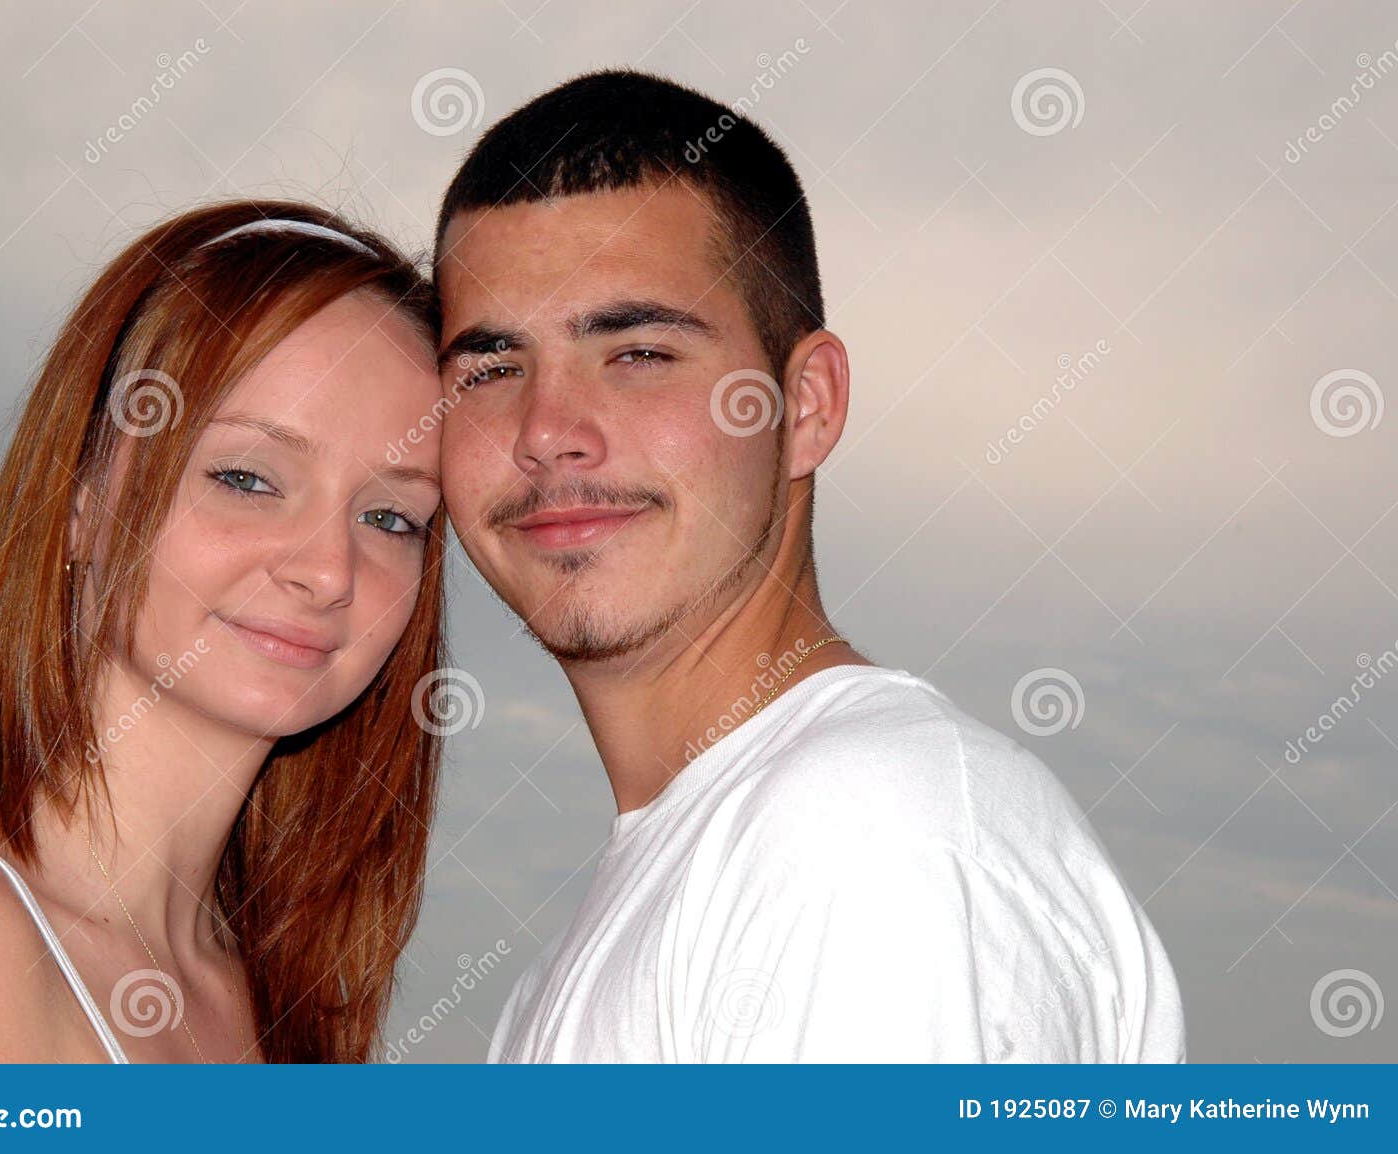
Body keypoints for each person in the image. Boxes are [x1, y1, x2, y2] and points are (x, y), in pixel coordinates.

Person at [431, 70, 1186, 1062]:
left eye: (639, 352)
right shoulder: (661, 899)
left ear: (808, 405)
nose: (547, 432)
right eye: (489, 369)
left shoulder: (864, 840)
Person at [0, 201, 448, 1063]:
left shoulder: (284, 998)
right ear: (82, 507)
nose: (329, 570)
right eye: (247, 477)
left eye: (391, 517)